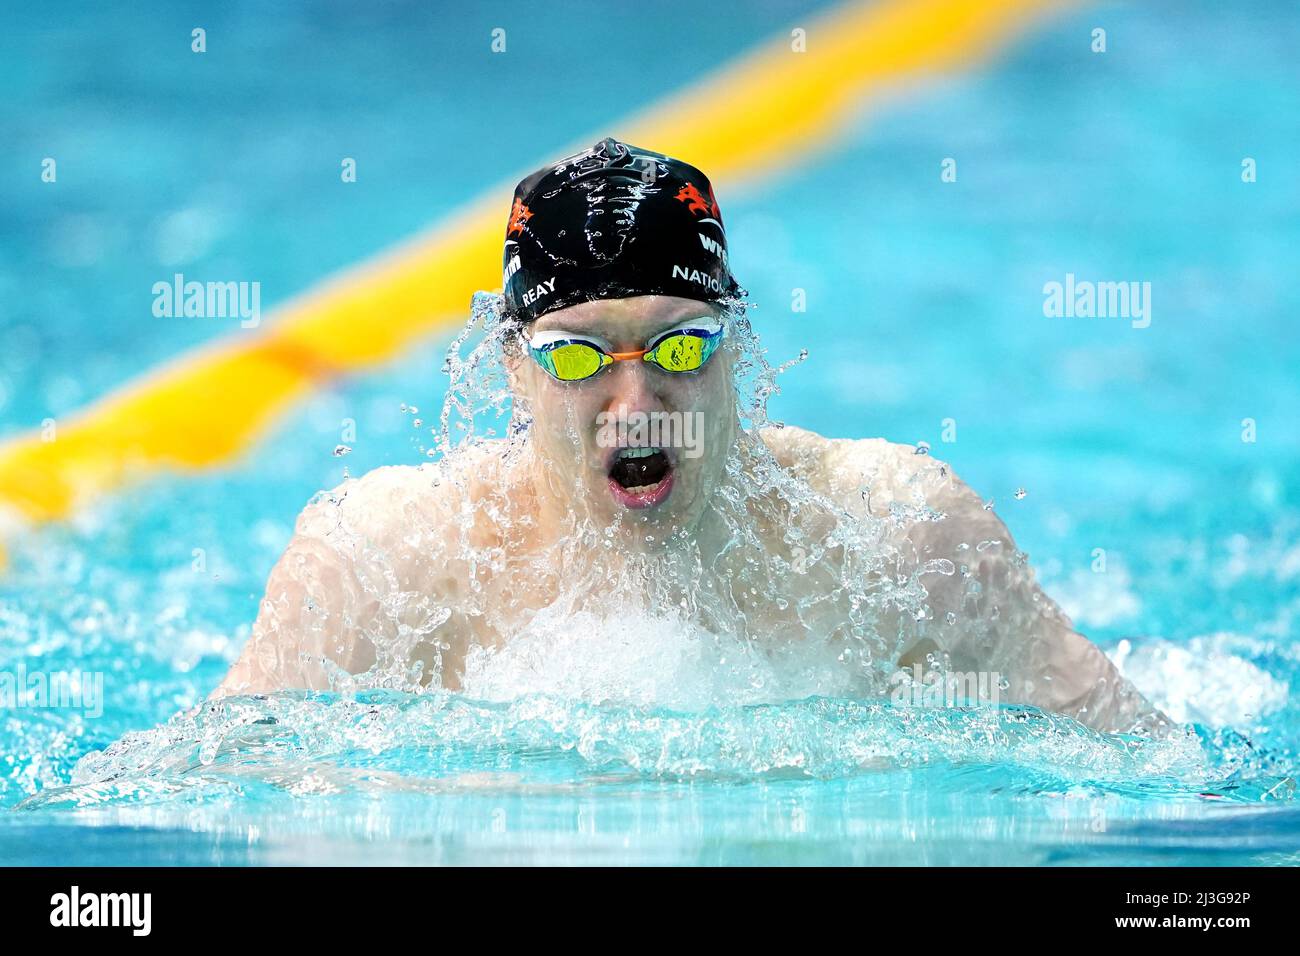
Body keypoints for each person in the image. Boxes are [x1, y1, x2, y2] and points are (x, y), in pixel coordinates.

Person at [216, 137, 1166, 735]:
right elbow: (201, 802)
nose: (637, 403)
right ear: (510, 367)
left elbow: (1157, 778)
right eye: (579, 359)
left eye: (679, 343)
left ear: (737, 346)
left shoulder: (899, 537)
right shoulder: (382, 563)